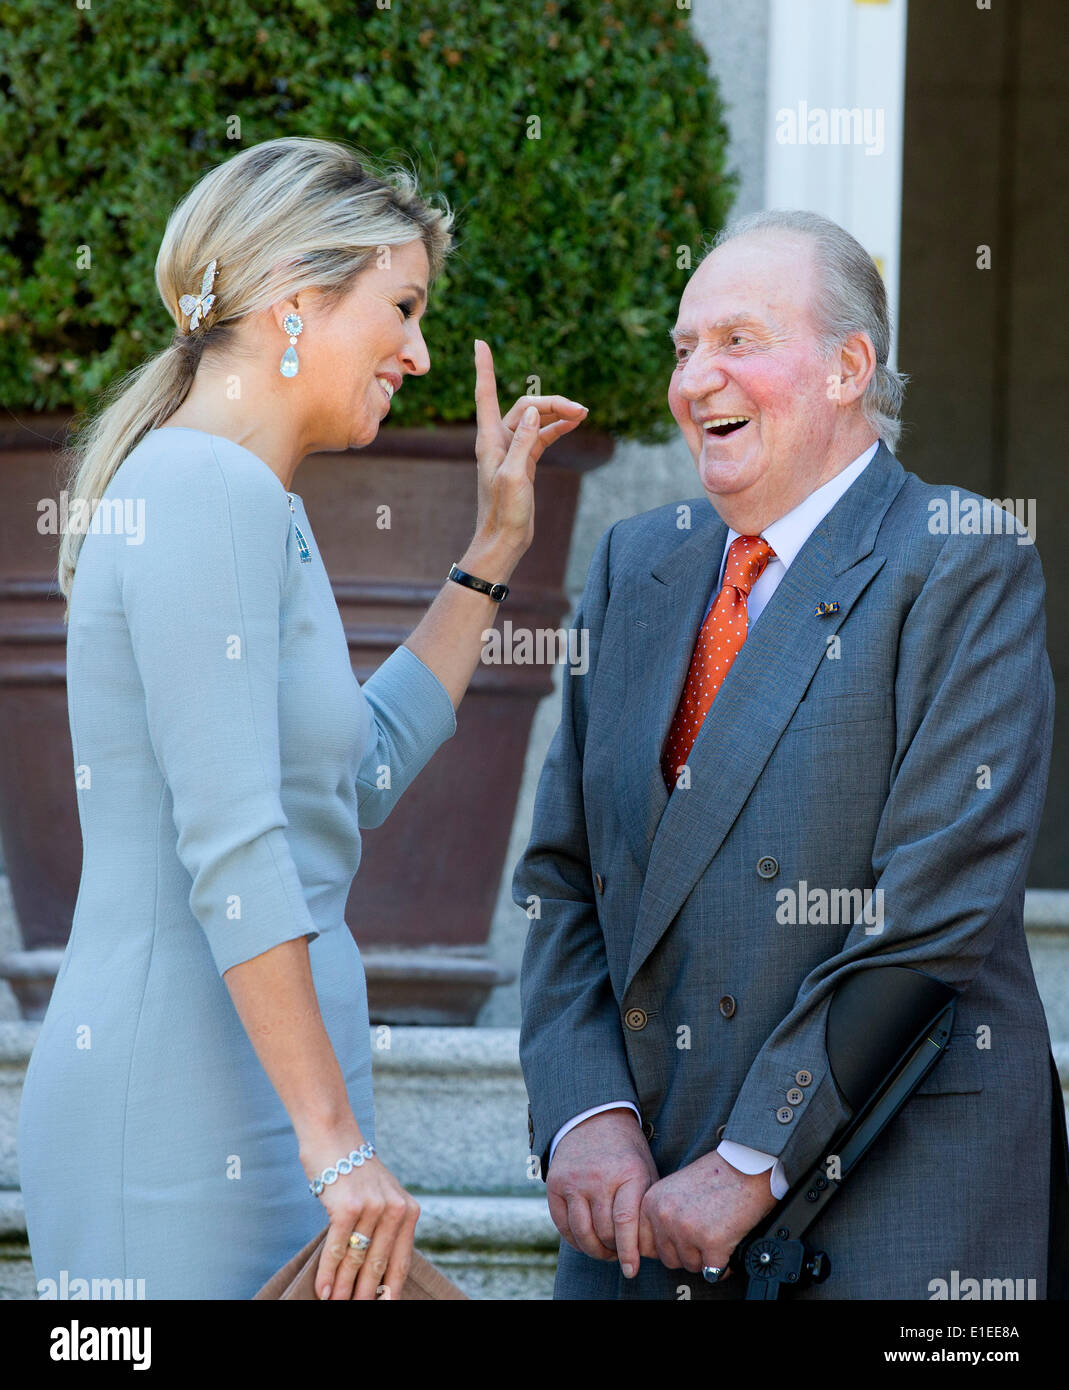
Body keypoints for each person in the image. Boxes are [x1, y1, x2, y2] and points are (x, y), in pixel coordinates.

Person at [18, 135, 587, 1300]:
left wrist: (492, 552)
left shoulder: (253, 504)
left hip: (279, 1104)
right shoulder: (202, 490)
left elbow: (356, 775)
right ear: (294, 301)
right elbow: (232, 843)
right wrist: (340, 1146)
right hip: (184, 1114)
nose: (419, 353)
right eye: (402, 307)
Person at [515, 208, 1063, 1300]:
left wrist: (750, 1157)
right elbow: (563, 879)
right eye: (682, 349)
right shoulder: (639, 564)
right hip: (641, 1203)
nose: (694, 380)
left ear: (849, 367)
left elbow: (933, 906)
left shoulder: (956, 557)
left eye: (737, 342)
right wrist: (585, 1113)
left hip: (889, 1195)